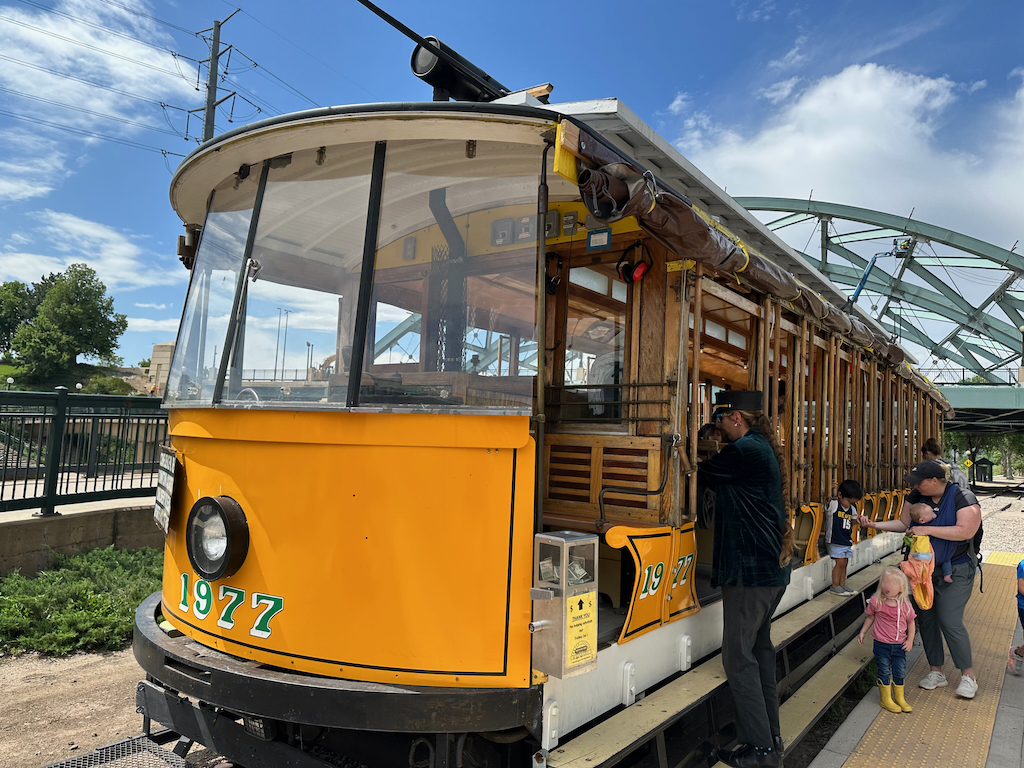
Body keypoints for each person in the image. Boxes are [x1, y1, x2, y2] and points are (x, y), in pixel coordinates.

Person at [698, 390, 793, 768]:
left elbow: (698, 471)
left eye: (720, 421)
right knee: (759, 652)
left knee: (738, 658)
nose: (718, 430)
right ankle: (770, 742)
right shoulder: (758, 447)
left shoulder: (746, 451)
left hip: (750, 572)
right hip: (768, 572)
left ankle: (762, 751)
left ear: (735, 416)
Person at [858, 460, 981, 699]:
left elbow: (966, 530)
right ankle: (937, 671)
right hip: (921, 572)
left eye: (919, 482)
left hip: (955, 568)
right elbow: (904, 523)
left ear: (935, 480)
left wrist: (927, 530)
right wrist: (874, 524)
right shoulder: (916, 497)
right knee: (926, 618)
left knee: (949, 619)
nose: (915, 486)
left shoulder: (963, 497)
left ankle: (968, 675)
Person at [858, 567, 916, 713]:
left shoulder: (905, 605)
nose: (886, 586)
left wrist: (910, 640)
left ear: (901, 588)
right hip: (881, 644)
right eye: (884, 582)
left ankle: (899, 698)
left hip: (899, 645)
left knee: (899, 671)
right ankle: (886, 699)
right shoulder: (876, 601)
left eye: (891, 584)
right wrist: (863, 632)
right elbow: (870, 617)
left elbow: (911, 622)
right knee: (883, 670)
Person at [824, 480, 861, 595]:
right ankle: (835, 585)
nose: (849, 504)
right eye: (848, 501)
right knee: (839, 563)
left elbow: (853, 521)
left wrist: (860, 520)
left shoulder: (852, 509)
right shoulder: (834, 506)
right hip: (835, 540)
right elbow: (826, 500)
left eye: (852, 502)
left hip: (846, 540)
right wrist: (830, 490)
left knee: (844, 563)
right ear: (840, 495)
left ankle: (842, 584)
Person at [908, 503, 953, 583]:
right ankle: (947, 575)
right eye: (931, 514)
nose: (934, 515)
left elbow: (908, 532)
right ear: (922, 520)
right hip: (935, 553)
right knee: (946, 560)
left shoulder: (916, 527)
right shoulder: (935, 523)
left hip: (925, 554)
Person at [1009, 556, 1024, 676]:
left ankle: (1019, 653)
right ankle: (1018, 653)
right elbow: (1021, 587)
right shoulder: (1023, 565)